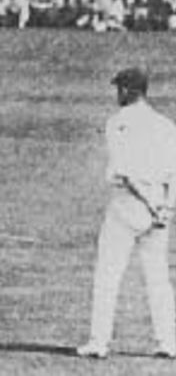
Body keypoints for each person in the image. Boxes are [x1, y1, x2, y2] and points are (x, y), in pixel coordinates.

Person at [76, 67, 176, 360]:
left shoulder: (118, 123)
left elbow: (124, 171)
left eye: (119, 89)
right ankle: (168, 341)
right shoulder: (165, 124)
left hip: (129, 204)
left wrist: (148, 203)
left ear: (128, 91)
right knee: (158, 277)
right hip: (159, 206)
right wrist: (165, 208)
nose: (117, 94)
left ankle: (98, 342)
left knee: (108, 274)